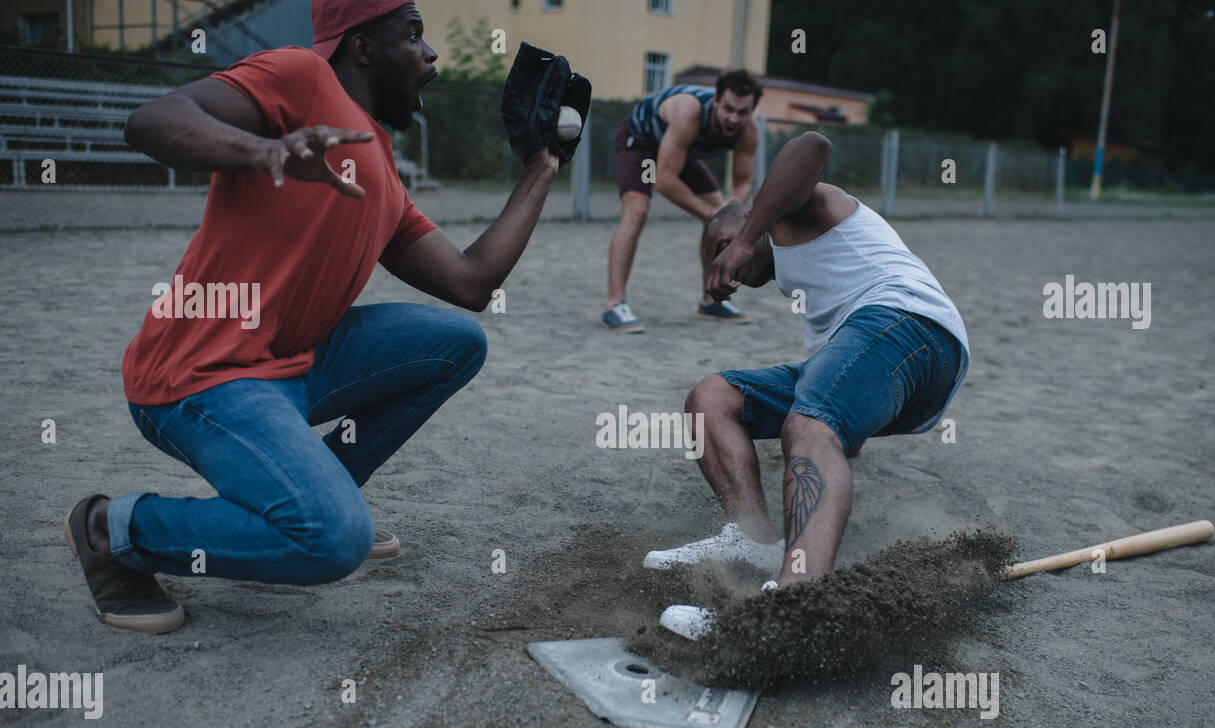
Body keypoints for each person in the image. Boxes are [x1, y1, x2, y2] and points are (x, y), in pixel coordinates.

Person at [64, 0, 587, 633]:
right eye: (414, 35)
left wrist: (542, 168)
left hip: (292, 364)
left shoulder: (383, 169)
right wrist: (263, 151)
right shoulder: (300, 76)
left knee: (457, 341)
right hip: (203, 377)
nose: (432, 56)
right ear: (362, 48)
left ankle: (324, 490)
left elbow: (472, 282)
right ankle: (108, 530)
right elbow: (153, 121)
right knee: (331, 541)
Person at [642, 132, 971, 638]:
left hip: (912, 326)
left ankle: (797, 603)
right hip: (894, 365)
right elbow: (844, 384)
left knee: (808, 423)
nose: (719, 265)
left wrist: (750, 235)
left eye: (719, 247)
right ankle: (753, 538)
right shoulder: (815, 295)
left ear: (748, 220)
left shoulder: (794, 214)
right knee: (711, 397)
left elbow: (814, 145)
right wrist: (842, 438)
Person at [601, 71, 762, 332]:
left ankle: (711, 301)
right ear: (717, 100)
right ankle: (614, 304)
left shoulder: (749, 131)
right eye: (729, 108)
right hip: (641, 142)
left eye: (742, 112)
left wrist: (732, 205)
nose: (734, 118)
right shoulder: (690, 113)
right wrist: (711, 212)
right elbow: (663, 180)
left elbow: (743, 182)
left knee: (720, 218)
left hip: (679, 151)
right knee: (637, 210)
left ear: (752, 111)